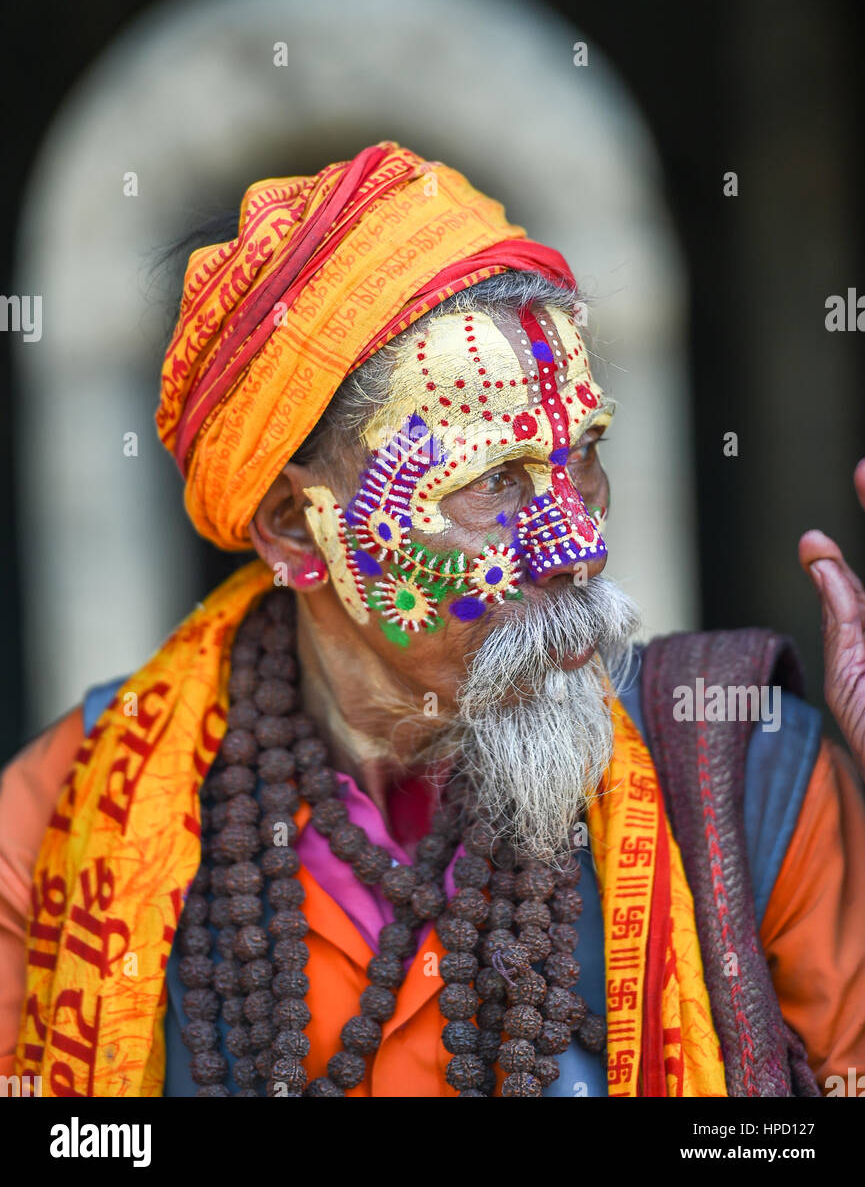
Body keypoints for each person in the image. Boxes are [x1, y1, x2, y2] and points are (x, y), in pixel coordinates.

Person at [1, 140, 864, 1099]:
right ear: (296, 527)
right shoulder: (63, 816)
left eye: (582, 456)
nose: (575, 543)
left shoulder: (754, 776)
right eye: (493, 481)